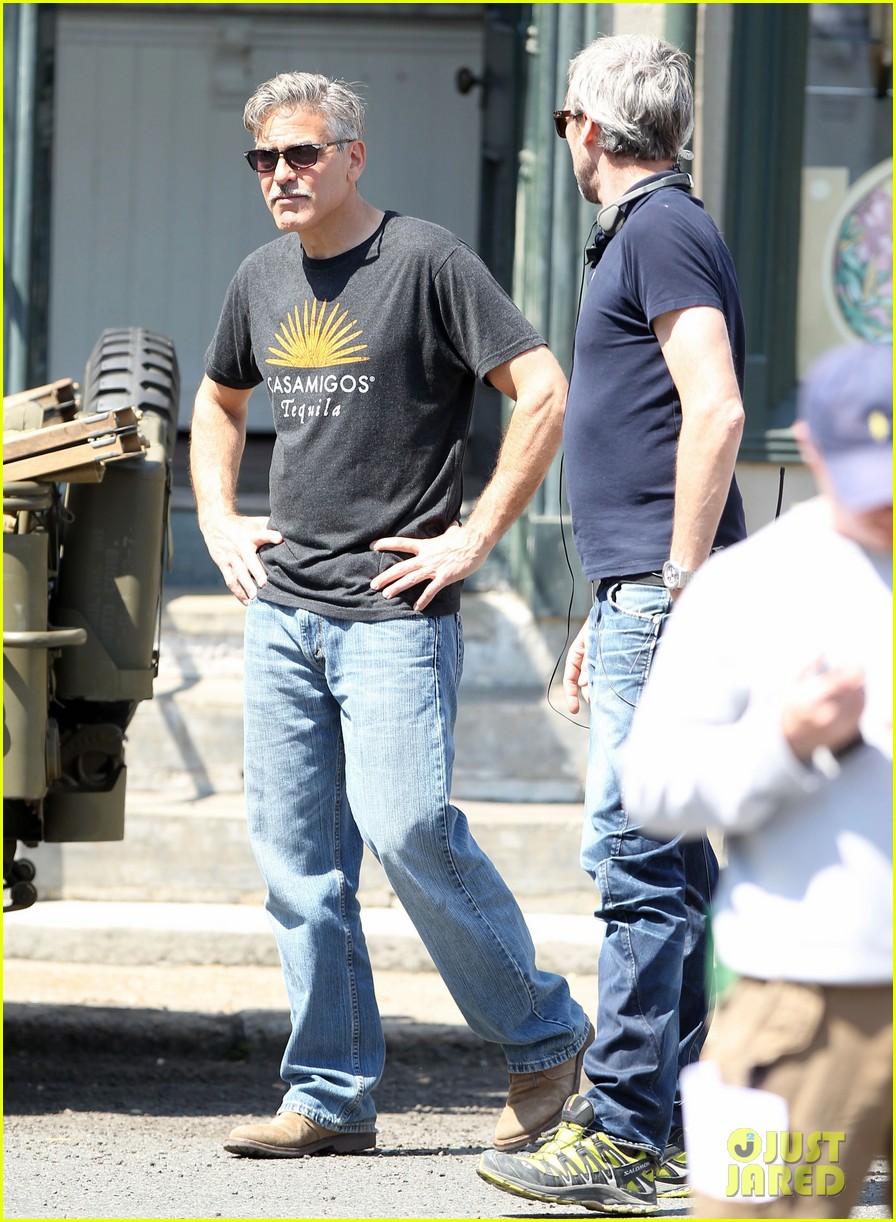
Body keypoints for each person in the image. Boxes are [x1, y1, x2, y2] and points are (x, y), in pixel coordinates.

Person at [189, 71, 592, 1159]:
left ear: (353, 157)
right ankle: (326, 1096)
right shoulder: (260, 277)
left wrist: (473, 537)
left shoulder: (425, 262)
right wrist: (223, 520)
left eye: (303, 154)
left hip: (394, 613)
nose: (281, 174)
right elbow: (219, 401)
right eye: (265, 159)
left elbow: (543, 387)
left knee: (408, 823)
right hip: (284, 613)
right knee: (299, 868)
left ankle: (546, 1038)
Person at [478, 33, 746, 1214]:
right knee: (667, 859)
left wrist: (675, 585)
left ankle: (632, 1128)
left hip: (666, 593)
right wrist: (613, 602)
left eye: (559, 127)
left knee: (639, 861)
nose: (564, 144)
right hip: (639, 590)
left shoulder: (661, 229)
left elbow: (718, 407)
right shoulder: (649, 234)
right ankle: (680, 1114)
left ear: (587, 125)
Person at [620, 341, 893, 1217]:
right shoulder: (748, 585)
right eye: (868, 475)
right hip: (803, 1002)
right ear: (809, 448)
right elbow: (653, 786)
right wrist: (785, 740)